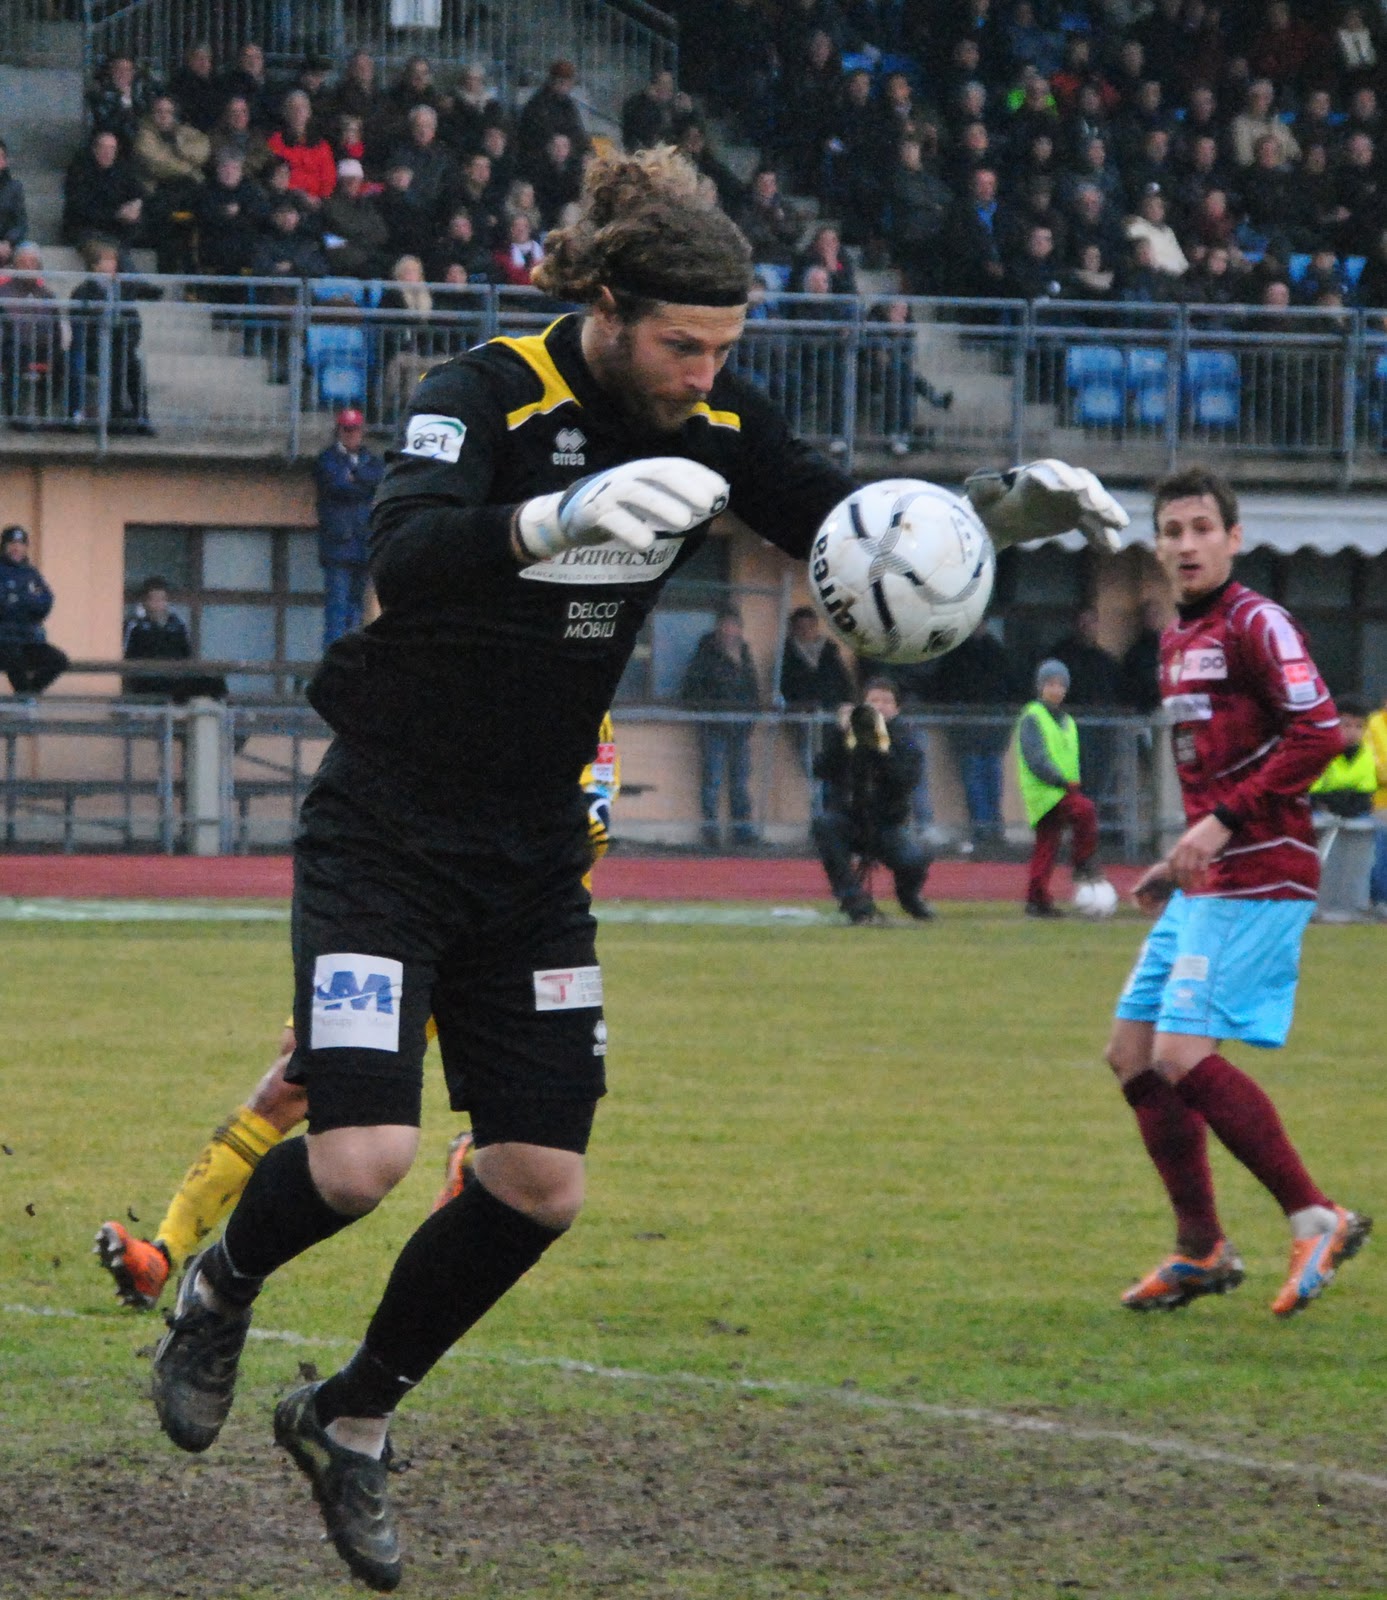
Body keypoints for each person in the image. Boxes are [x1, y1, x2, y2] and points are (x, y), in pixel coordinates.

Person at [142, 144, 1125, 1591]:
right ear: (605, 305)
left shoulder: (716, 412)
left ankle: (347, 1421)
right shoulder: (481, 392)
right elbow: (404, 557)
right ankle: (219, 1289)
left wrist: (994, 512)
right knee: (362, 1161)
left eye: (724, 348)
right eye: (681, 345)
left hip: (532, 849)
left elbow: (839, 523)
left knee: (539, 1184)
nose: (703, 374)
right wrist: (551, 519)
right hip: (388, 832)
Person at [95, 715, 624, 1312]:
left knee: (527, 1148)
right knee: (290, 1083)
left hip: (505, 947)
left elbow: (591, 829)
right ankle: (161, 1255)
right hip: (403, 922)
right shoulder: (449, 673)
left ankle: (476, 1165)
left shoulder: (578, 703)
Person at [1105, 466, 1370, 1319]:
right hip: (1210, 877)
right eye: (1170, 530)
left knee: (1184, 1056)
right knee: (1134, 1055)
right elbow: (1215, 764)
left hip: (1263, 868)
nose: (1184, 544)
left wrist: (1218, 825)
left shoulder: (1255, 621)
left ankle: (1315, 1217)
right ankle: (1200, 1248)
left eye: (1199, 529)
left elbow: (1319, 729)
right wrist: (1178, 857)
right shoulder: (1178, 637)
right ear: (1156, 543)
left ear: (1232, 537)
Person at [812, 680, 933, 923]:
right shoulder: (847, 734)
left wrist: (880, 747)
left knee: (916, 855)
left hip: (888, 825)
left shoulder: (907, 736)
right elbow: (821, 769)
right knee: (824, 825)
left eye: (886, 701)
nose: (879, 707)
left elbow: (906, 778)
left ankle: (909, 896)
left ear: (896, 708)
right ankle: (853, 900)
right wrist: (840, 733)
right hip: (850, 820)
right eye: (873, 701)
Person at [1016, 658, 1100, 917]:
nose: (1056, 690)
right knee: (1085, 811)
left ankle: (1037, 900)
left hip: (1061, 790)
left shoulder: (1067, 721)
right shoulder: (1032, 716)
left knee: (1046, 846)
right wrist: (1061, 781)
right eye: (1051, 684)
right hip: (1047, 791)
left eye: (1061, 685)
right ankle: (1081, 862)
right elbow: (1036, 758)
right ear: (1040, 686)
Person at [680, 606, 761, 847]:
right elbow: (691, 690)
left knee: (740, 780)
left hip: (740, 728)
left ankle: (742, 830)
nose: (730, 631)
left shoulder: (745, 655)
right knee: (712, 780)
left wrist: (750, 718)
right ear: (718, 628)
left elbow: (753, 690)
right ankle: (711, 831)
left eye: (734, 626)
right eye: (725, 626)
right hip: (714, 727)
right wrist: (708, 713)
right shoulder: (706, 654)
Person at [314, 408, 385, 648]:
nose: (351, 434)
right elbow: (336, 486)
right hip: (338, 545)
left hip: (364, 545)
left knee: (356, 612)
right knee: (337, 612)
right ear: (339, 431)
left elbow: (378, 481)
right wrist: (361, 482)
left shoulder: (372, 460)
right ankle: (334, 666)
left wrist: (355, 478)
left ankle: (351, 666)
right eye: (346, 429)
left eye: (355, 430)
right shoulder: (327, 459)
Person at [121, 577, 227, 702]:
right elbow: (126, 656)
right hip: (147, 680)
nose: (158, 604)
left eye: (162, 599)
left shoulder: (176, 624)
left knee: (215, 682)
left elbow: (187, 654)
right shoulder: (135, 625)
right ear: (145, 602)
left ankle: (225, 716)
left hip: (175, 677)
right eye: (153, 599)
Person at [0, 525, 67, 695]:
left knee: (59, 660)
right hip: (4, 641)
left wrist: (18, 599)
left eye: (21, 544)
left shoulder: (31, 573)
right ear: (4, 546)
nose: (16, 548)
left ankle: (27, 696)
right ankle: (25, 699)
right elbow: (4, 607)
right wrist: (28, 600)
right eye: (12, 543)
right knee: (14, 658)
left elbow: (46, 602)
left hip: (29, 640)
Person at [1367, 687, 1387, 914]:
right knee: (1381, 853)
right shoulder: (1374, 724)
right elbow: (1379, 771)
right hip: (1380, 803)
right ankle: (1380, 900)